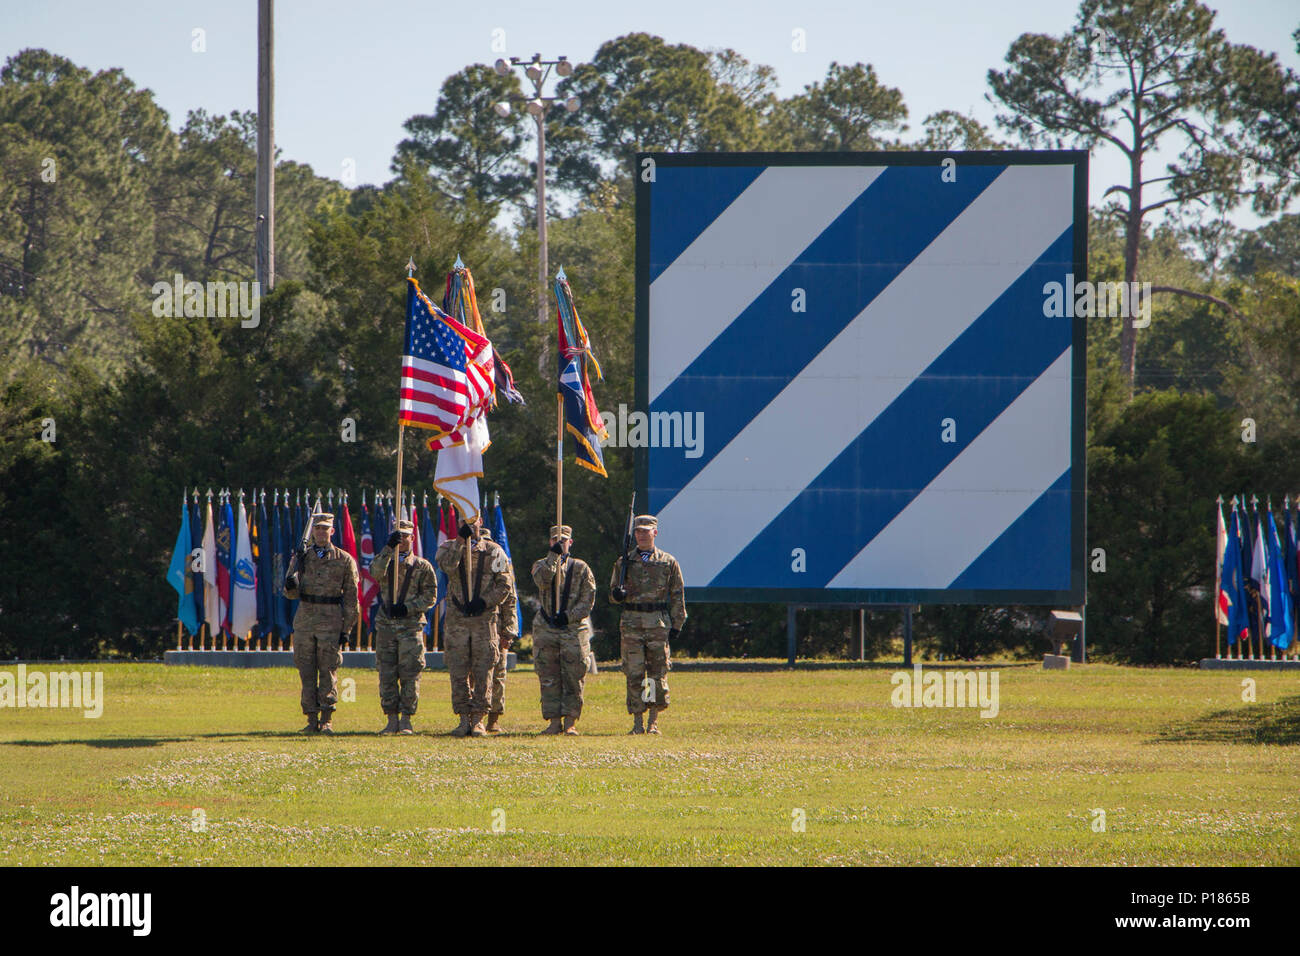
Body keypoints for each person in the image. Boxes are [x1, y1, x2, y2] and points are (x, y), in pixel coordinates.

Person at [435, 514, 512, 737]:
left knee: (483, 670)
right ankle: (463, 719)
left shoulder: (494, 550)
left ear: (480, 522)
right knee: (458, 670)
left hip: (484, 619)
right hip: (458, 619)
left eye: (473, 520)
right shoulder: (448, 547)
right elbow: (448, 567)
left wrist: (485, 602)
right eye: (463, 522)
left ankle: (479, 719)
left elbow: (505, 584)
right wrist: (461, 542)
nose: (469, 524)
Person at [283, 512, 359, 734]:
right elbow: (289, 594)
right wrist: (290, 581)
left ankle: (327, 718)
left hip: (331, 619)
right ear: (312, 531)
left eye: (325, 528)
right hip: (306, 619)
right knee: (306, 670)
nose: (321, 532)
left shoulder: (344, 559)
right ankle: (310, 718)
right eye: (318, 528)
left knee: (328, 670)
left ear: (332, 531)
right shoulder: (302, 557)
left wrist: (347, 628)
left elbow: (351, 598)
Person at [609, 515, 685, 735]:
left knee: (655, 673)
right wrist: (617, 594)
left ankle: (653, 720)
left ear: (655, 533)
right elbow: (612, 594)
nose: (642, 535)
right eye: (639, 531)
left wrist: (677, 623)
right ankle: (637, 721)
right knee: (634, 673)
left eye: (646, 531)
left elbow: (677, 594)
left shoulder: (667, 561)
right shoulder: (624, 562)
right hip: (632, 623)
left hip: (657, 623)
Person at [369, 519, 438, 735]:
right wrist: (388, 548)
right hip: (387, 625)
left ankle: (406, 719)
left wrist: (408, 607)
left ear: (413, 538)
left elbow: (431, 596)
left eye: (406, 536)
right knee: (387, 672)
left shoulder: (422, 566)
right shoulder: (386, 561)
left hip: (410, 626)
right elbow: (375, 573)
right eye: (399, 536)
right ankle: (391, 719)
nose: (403, 540)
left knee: (410, 672)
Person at [531, 525, 596, 736]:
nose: (560, 542)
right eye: (555, 540)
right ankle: (553, 721)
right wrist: (553, 557)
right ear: (550, 542)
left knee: (573, 675)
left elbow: (588, 599)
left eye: (564, 539)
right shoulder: (541, 565)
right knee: (548, 675)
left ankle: (570, 721)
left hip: (572, 629)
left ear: (571, 542)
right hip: (547, 628)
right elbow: (543, 581)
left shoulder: (581, 568)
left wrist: (570, 616)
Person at [483, 525, 519, 734]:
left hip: (497, 626)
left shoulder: (501, 565)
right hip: (476, 625)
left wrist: (509, 632)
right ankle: (474, 714)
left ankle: (494, 718)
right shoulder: (470, 566)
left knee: (498, 674)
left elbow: (510, 600)